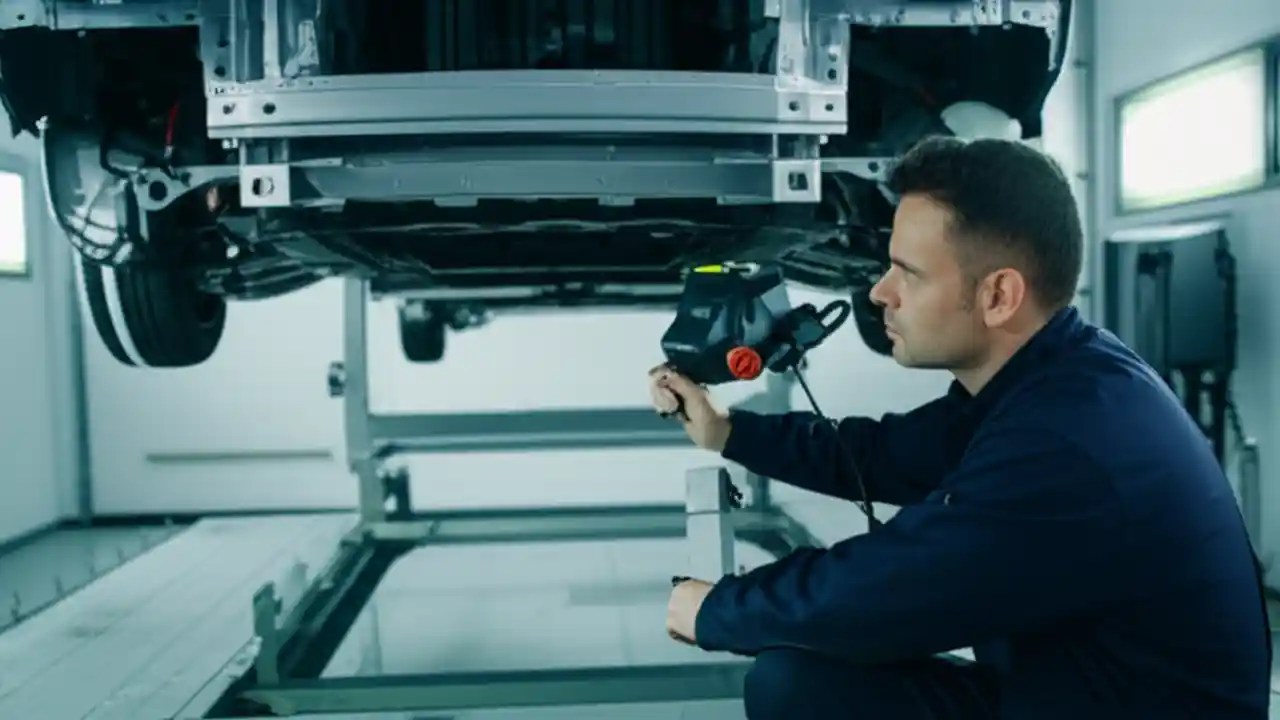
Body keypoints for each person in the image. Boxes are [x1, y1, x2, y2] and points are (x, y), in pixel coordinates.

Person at [648, 136, 1272, 719]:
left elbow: (891, 590)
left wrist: (716, 609)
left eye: (908, 274)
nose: (878, 293)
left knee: (800, 685)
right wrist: (729, 431)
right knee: (801, 674)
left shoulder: (1066, 444)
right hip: (1078, 689)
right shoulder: (1052, 376)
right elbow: (884, 453)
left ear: (999, 295)